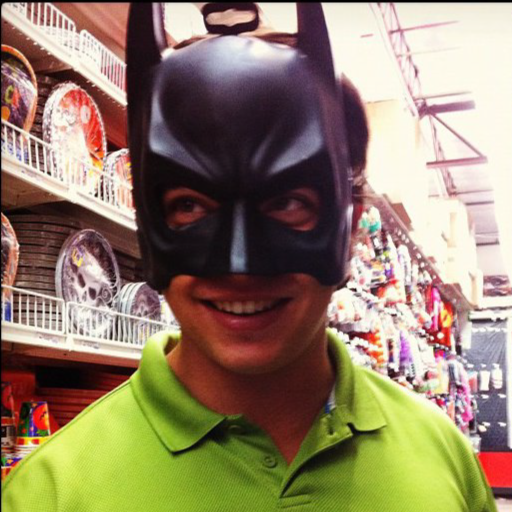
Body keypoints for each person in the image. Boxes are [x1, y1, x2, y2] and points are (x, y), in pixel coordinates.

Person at [2, 3, 497, 511]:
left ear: (350, 225)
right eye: (190, 205)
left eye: (288, 203)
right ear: (147, 220)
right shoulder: (50, 494)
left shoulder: (445, 461)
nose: (239, 267)